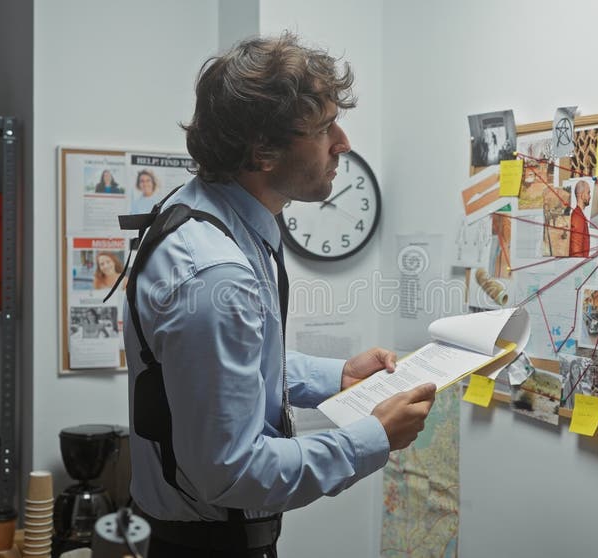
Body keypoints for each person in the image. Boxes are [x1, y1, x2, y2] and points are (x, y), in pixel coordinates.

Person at [124, 33, 436, 557]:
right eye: (323, 129)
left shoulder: (209, 212)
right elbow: (230, 473)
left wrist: (335, 377)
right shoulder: (214, 273)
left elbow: (228, 369)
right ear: (263, 151)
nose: (344, 142)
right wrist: (373, 437)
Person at [569, 179, 590, 257]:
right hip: (579, 265)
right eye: (588, 193)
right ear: (582, 195)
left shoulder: (579, 214)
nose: (590, 196)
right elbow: (576, 249)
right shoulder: (578, 216)